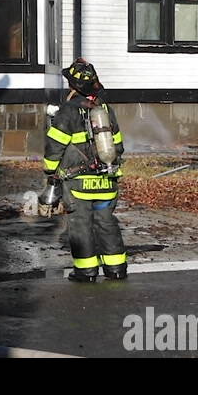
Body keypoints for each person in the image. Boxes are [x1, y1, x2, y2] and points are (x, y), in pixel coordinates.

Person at [44, 59, 127, 282]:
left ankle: (86, 270)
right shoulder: (106, 110)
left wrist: (50, 171)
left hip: (78, 182)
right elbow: (117, 145)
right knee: (106, 223)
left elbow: (54, 146)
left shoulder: (68, 111)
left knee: (80, 225)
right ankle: (116, 269)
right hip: (106, 179)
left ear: (73, 86)